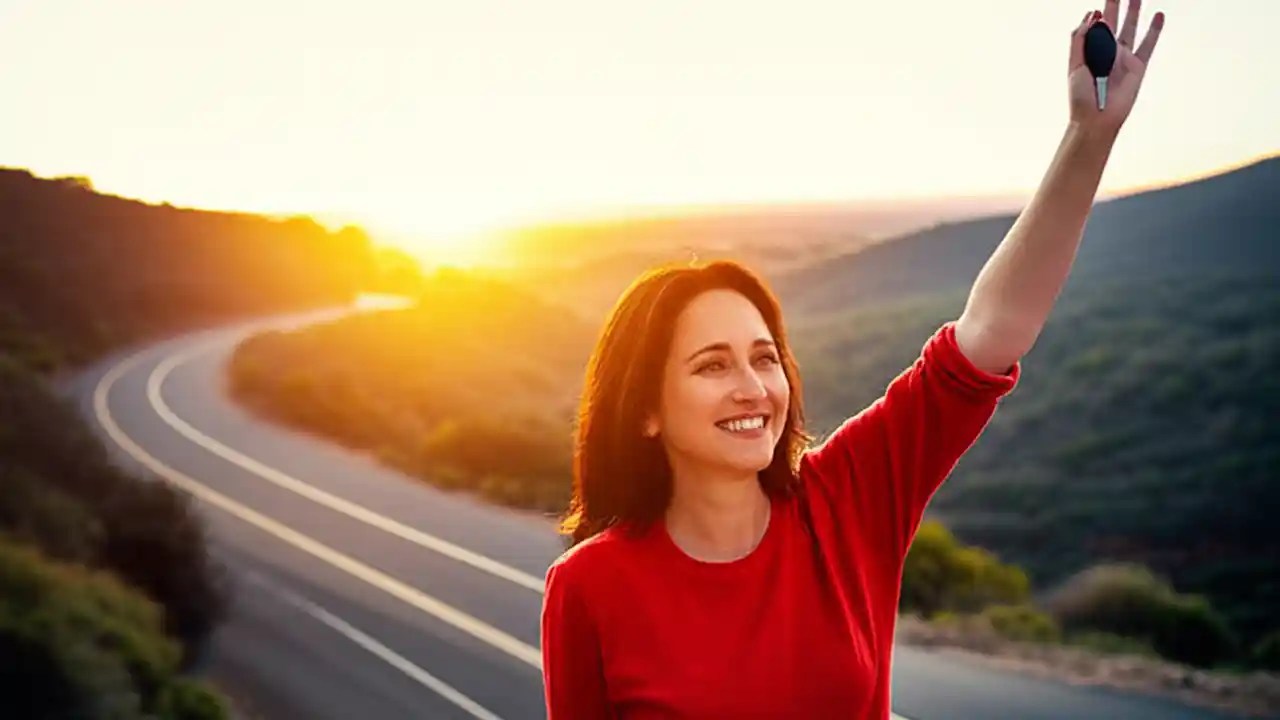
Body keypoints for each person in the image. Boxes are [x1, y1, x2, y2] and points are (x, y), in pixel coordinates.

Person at [541, 3, 1165, 718]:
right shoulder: (589, 587)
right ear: (645, 408)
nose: (752, 388)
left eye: (764, 358)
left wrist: (1089, 138)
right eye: (711, 366)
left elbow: (992, 328)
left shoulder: (849, 502)